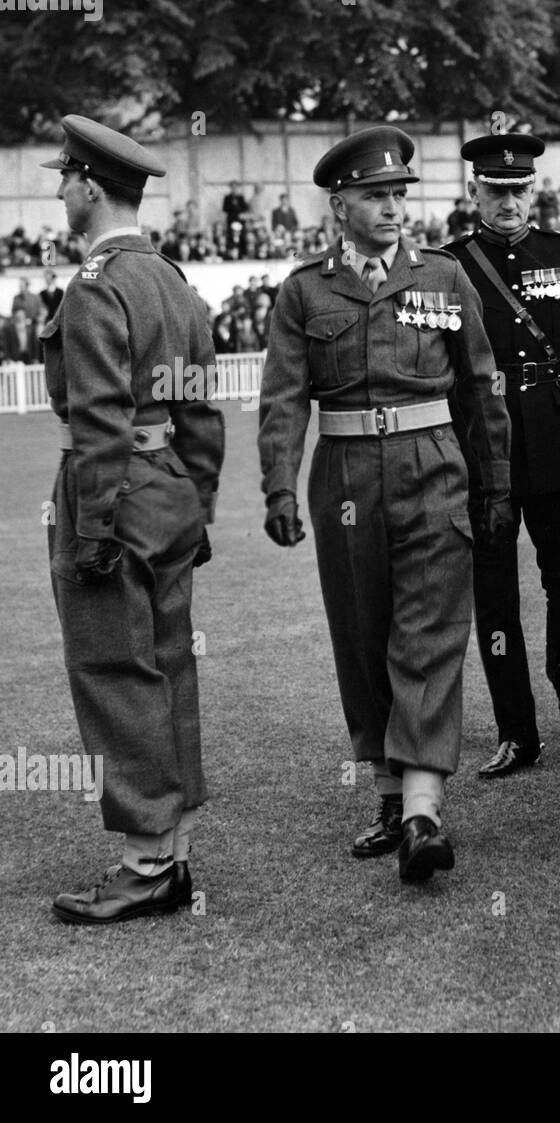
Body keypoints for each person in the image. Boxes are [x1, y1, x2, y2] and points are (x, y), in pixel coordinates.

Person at [257, 126, 512, 883]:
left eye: (401, 194)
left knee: (430, 631)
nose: (395, 208)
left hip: (434, 467)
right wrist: (278, 484)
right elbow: (281, 401)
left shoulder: (443, 278)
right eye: (377, 196)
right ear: (341, 205)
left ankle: (425, 811)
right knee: (365, 634)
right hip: (343, 479)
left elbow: (481, 385)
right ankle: (390, 792)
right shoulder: (305, 290)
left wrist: (495, 481)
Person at [38, 116, 225, 924]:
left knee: (116, 672)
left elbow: (101, 420)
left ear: (88, 184)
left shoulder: (96, 283)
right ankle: (172, 851)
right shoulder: (174, 281)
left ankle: (146, 862)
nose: (58, 191)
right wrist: (196, 501)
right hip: (170, 487)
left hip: (109, 489)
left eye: (64, 179)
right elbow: (202, 412)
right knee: (168, 664)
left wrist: (93, 531)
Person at [443, 134, 560, 778]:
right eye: (495, 190)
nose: (508, 201)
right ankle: (517, 731)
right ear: (474, 192)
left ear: (534, 191)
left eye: (519, 189)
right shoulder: (449, 264)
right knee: (495, 595)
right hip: (484, 447)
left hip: (558, 441)